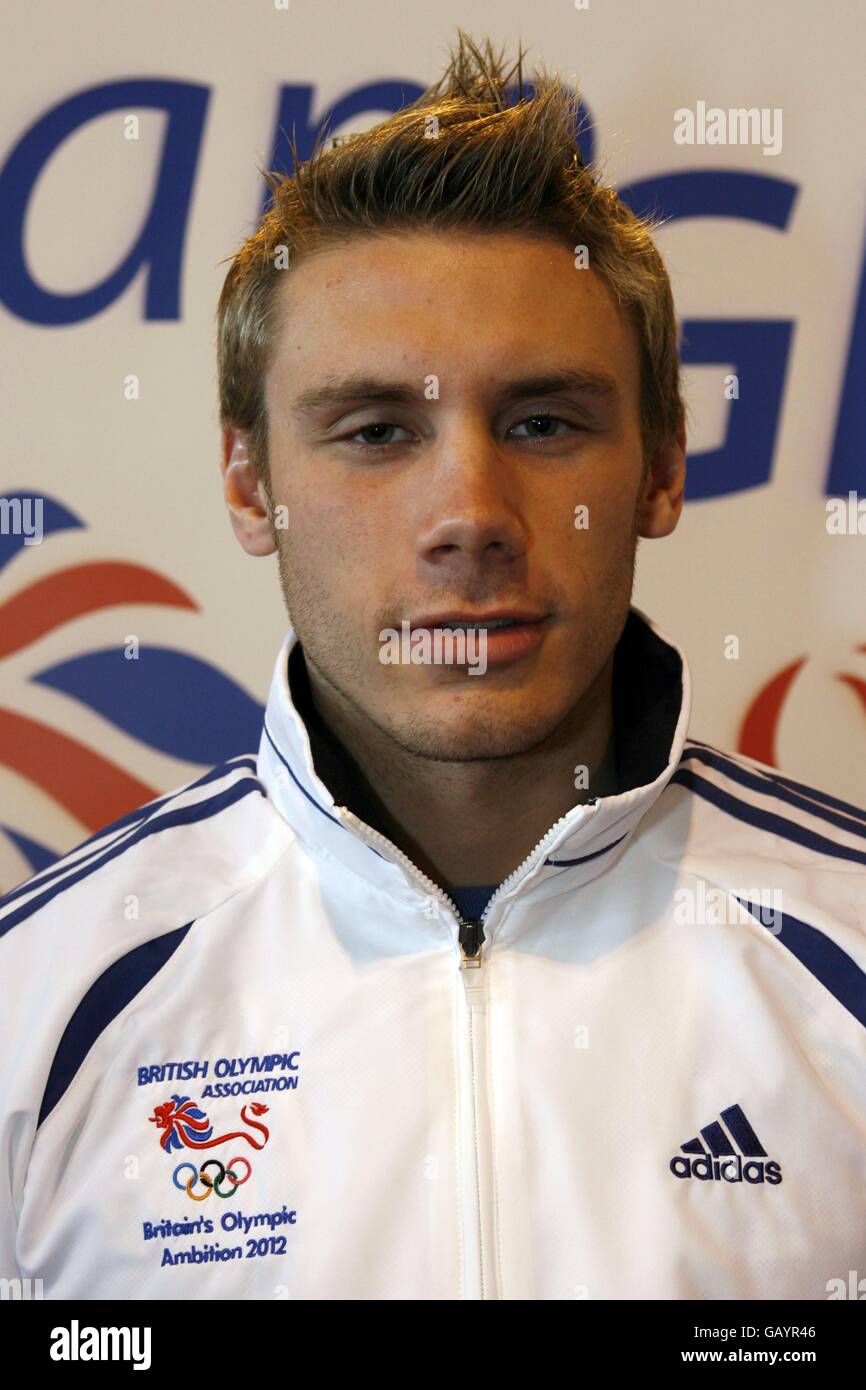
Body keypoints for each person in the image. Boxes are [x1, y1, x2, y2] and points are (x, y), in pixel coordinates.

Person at [1, 31, 864, 1301]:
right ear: (251, 484)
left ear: (663, 467)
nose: (469, 510)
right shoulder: (37, 1001)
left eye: (540, 422)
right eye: (375, 431)